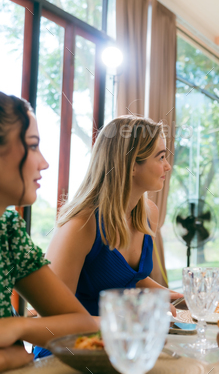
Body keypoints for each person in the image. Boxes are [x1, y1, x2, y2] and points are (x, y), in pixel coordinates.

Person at [35, 116, 183, 358]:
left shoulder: (148, 214)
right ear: (132, 164)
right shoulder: (81, 225)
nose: (168, 166)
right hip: (72, 352)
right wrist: (132, 317)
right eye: (161, 157)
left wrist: (183, 297)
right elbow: (50, 319)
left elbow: (131, 278)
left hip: (123, 343)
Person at [0, 92, 97, 371]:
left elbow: (83, 326)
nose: (44, 163)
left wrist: (17, 327)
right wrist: (8, 356)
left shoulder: (9, 231)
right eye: (32, 146)